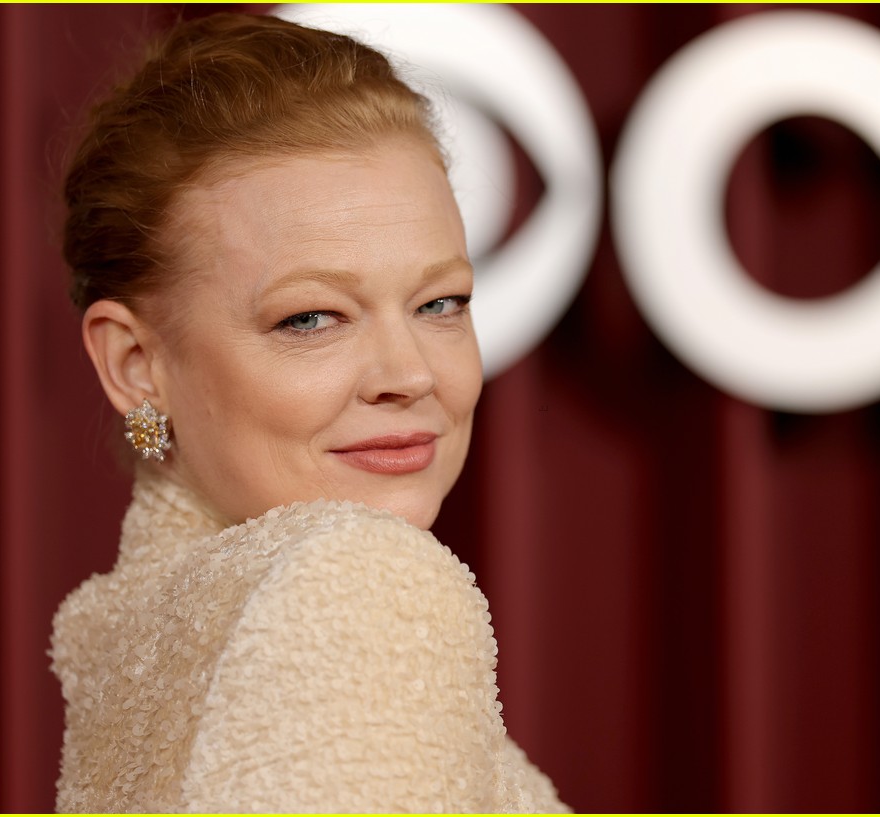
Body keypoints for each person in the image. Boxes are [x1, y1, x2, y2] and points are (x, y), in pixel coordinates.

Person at [49, 13, 566, 813]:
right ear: (135, 363)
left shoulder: (131, 638)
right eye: (310, 318)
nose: (408, 374)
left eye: (440, 302)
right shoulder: (359, 588)